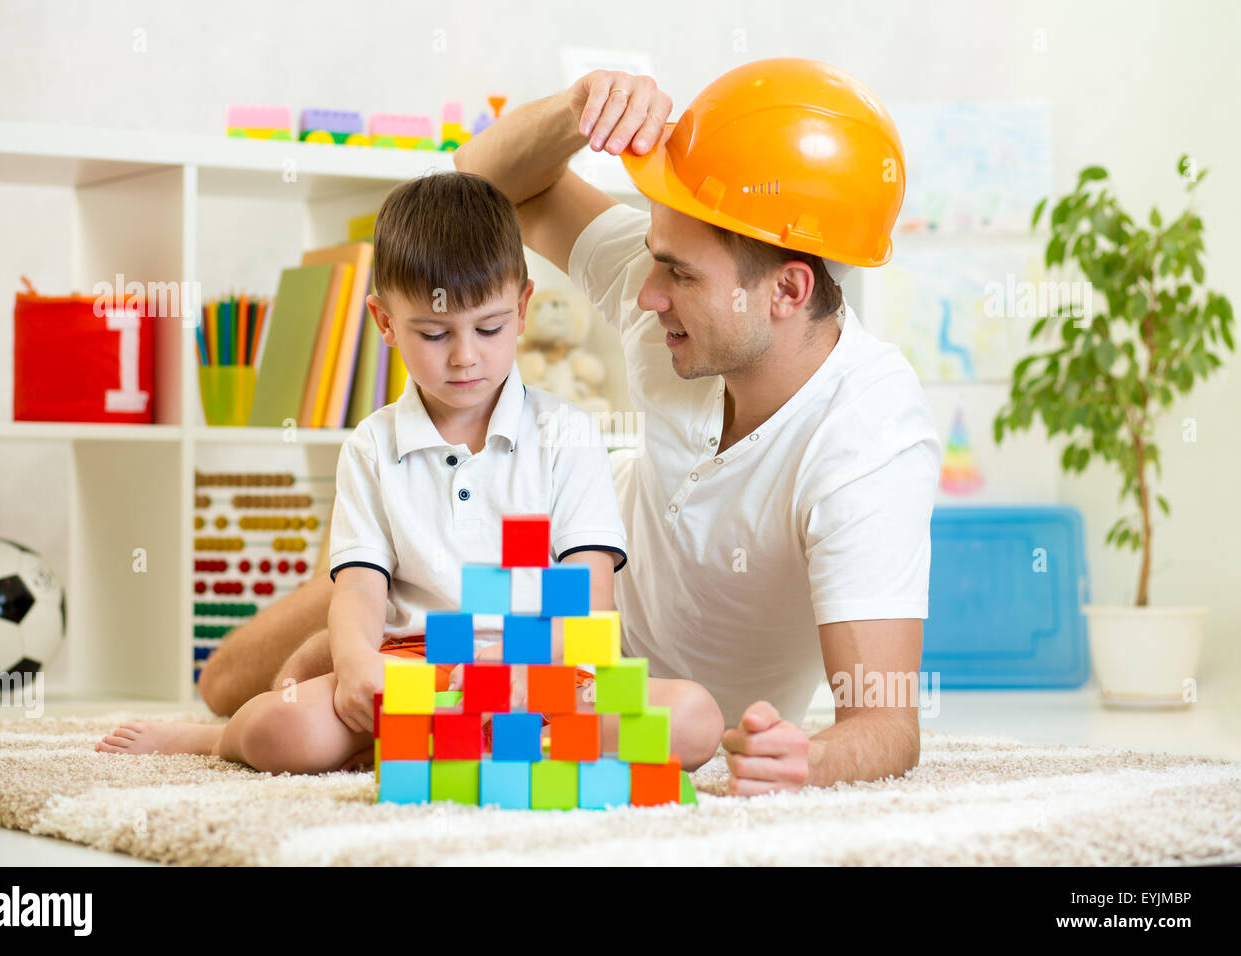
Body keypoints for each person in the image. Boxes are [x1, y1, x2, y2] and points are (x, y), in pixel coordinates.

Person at [96, 171, 725, 773]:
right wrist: (355, 662)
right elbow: (360, 589)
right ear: (385, 323)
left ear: (524, 307)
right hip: (416, 666)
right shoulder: (373, 446)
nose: (465, 357)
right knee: (279, 728)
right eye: (433, 332)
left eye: (489, 327)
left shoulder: (567, 433)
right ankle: (212, 740)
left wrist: (522, 665)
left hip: (543, 672)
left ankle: (434, 745)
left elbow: (589, 600)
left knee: (694, 718)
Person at [451, 58, 942, 794]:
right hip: (549, 576)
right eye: (658, 262)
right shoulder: (683, 292)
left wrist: (808, 760)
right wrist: (576, 109)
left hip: (656, 714)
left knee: (341, 712)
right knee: (292, 657)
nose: (649, 295)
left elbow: (884, 725)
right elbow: (474, 190)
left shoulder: (870, 436)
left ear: (786, 290)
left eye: (679, 274)